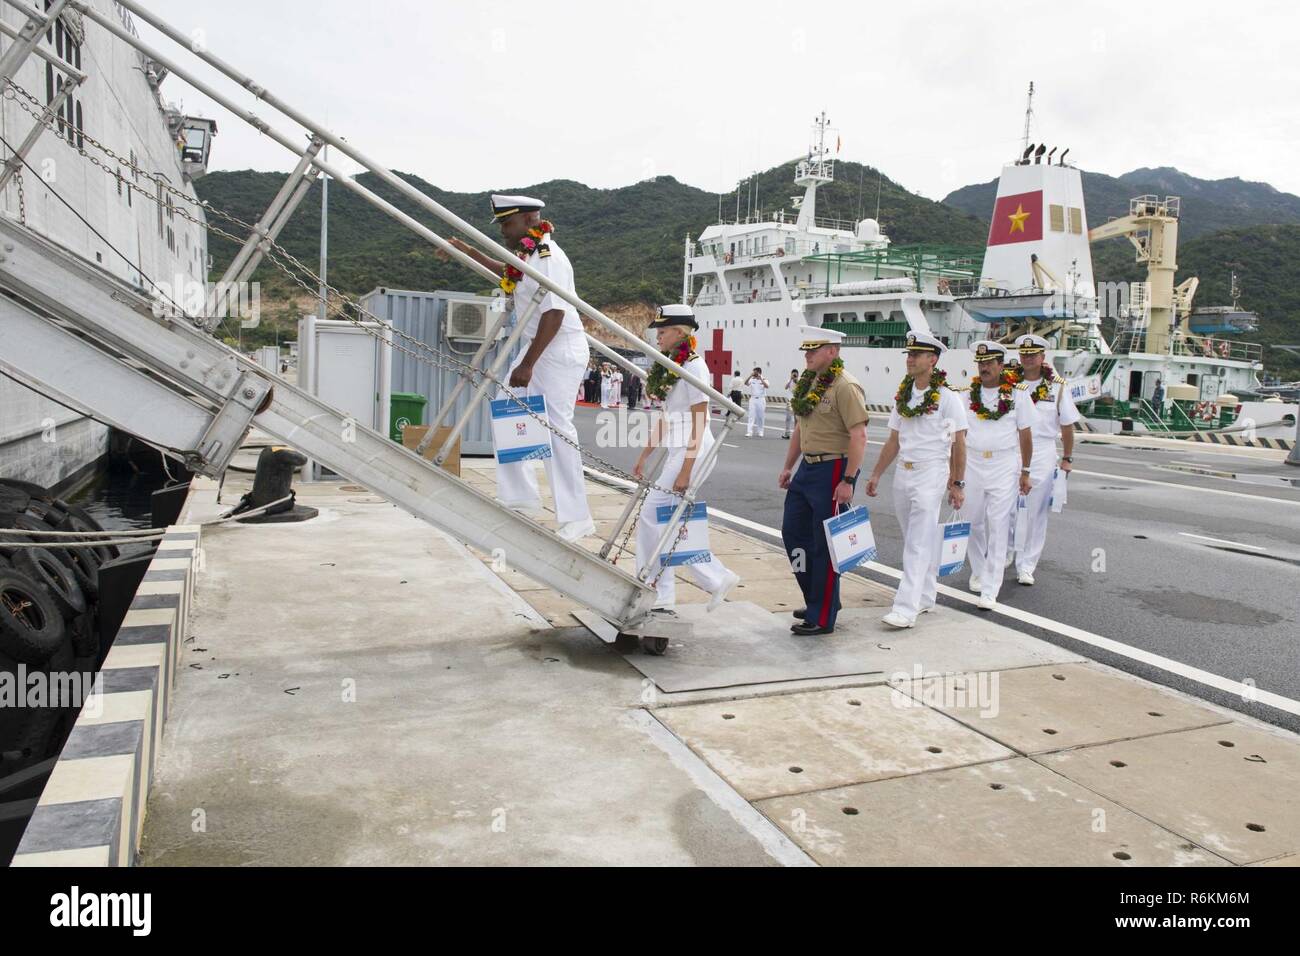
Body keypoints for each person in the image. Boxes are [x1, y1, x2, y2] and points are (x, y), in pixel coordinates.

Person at [442, 194, 593, 541]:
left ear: (529, 219)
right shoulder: (529, 253)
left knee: (557, 431)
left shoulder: (549, 257)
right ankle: (520, 496)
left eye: (506, 223)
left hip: (557, 349)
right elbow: (508, 272)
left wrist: (527, 364)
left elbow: (554, 313)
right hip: (538, 345)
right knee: (507, 410)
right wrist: (468, 250)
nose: (503, 231)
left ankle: (576, 518)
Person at [633, 305, 740, 614]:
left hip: (693, 451)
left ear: (680, 333)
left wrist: (686, 470)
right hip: (679, 452)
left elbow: (699, 421)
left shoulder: (693, 367)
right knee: (667, 519)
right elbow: (667, 417)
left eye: (663, 331)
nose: (658, 337)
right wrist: (644, 456)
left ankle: (657, 587)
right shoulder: (672, 367)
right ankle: (712, 579)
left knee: (652, 514)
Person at [866, 330, 968, 629]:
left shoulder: (948, 398)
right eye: (908, 354)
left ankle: (905, 609)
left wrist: (957, 483)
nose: (909, 359)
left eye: (916, 355)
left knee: (917, 544)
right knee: (915, 538)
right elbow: (894, 440)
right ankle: (925, 596)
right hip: (903, 472)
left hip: (931, 472)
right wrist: (876, 473)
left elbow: (959, 443)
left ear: (932, 359)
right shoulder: (904, 395)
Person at [778, 326, 870, 636]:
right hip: (807, 468)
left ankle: (822, 615)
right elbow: (801, 429)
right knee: (793, 534)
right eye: (806, 350)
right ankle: (818, 600)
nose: (807, 355)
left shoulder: (846, 386)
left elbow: (859, 436)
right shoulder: (809, 383)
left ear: (832, 351)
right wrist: (788, 466)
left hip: (833, 469)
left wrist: (848, 480)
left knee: (826, 545)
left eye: (814, 349)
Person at [959, 341, 1034, 611]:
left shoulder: (1018, 395)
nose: (984, 367)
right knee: (972, 521)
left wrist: (1026, 471)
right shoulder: (967, 395)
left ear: (1001, 365)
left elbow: (1026, 435)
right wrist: (954, 473)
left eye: (990, 362)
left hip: (1003, 463)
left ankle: (990, 588)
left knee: (998, 524)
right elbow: (959, 435)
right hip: (973, 462)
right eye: (981, 362)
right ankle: (979, 570)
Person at [1008, 333, 1079, 585]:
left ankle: (1026, 565)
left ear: (1042, 357)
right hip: (1011, 449)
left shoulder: (1057, 387)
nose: (1027, 359)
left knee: (1035, 512)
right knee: (1005, 507)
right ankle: (1007, 549)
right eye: (1024, 354)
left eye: (1033, 355)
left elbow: (1067, 425)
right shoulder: (1009, 383)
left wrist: (1067, 458)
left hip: (1041, 452)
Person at [745, 367, 770, 437]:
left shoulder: (764, 379)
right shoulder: (752, 379)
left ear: (759, 372)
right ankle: (749, 432)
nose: (753, 373)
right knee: (751, 415)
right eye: (753, 372)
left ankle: (760, 431)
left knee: (760, 416)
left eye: (755, 372)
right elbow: (745, 383)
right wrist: (750, 376)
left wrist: (761, 379)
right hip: (752, 399)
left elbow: (767, 386)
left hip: (761, 399)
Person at [782, 368, 799, 439]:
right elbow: (786, 387)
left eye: (795, 374)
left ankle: (796, 435)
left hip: (796, 402)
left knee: (796, 419)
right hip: (789, 402)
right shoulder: (789, 380)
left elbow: (800, 387)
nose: (794, 375)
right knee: (788, 418)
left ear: (798, 375)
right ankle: (787, 434)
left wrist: (796, 380)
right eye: (793, 374)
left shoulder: (800, 381)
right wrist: (791, 379)